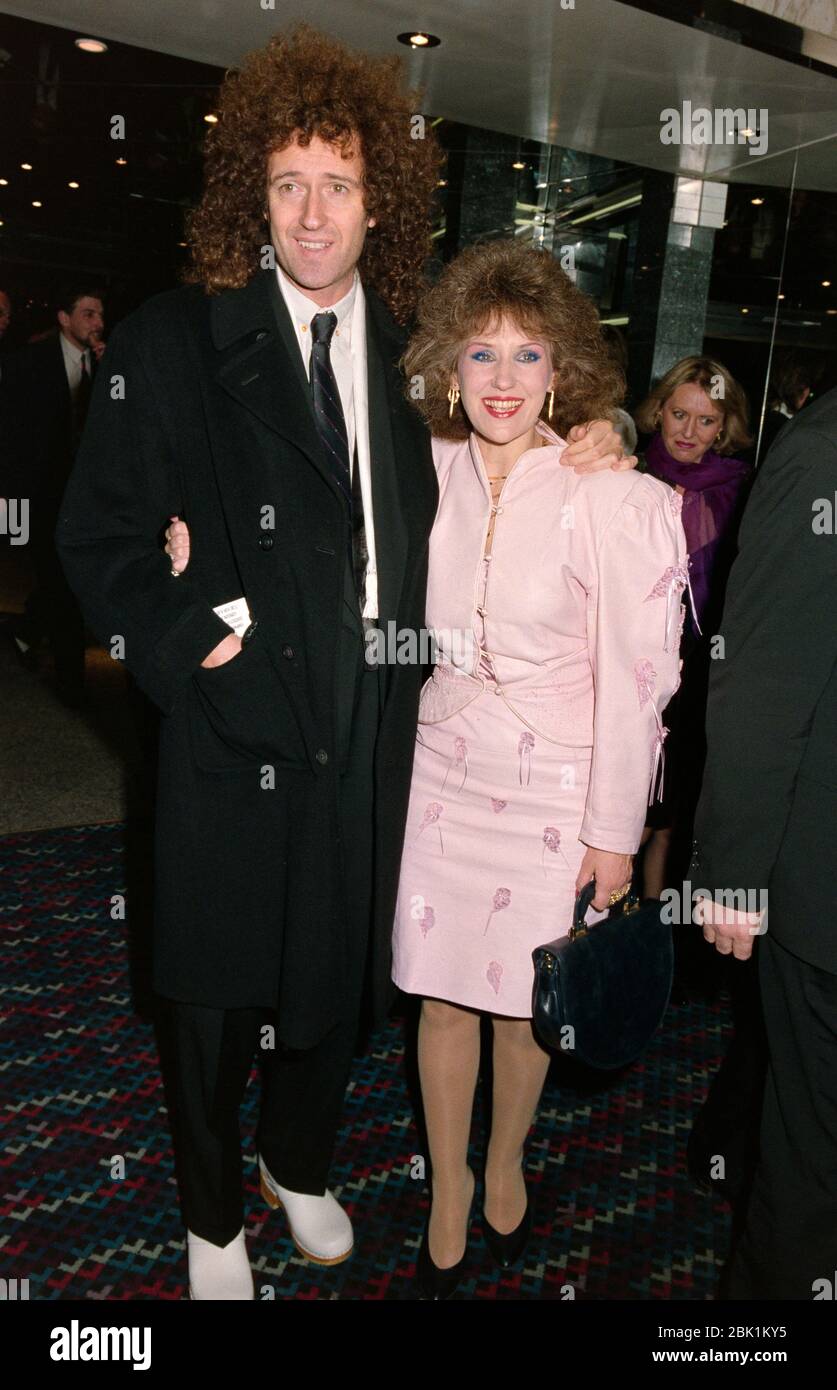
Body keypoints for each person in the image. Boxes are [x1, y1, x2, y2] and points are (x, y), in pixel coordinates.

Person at [58, 25, 626, 1301]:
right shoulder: (171, 342)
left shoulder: (415, 361)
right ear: (249, 196)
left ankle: (297, 1164)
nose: (315, 214)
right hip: (230, 726)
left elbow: (511, 430)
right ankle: (214, 1217)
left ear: (385, 202)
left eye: (342, 183)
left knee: (340, 976)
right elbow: (96, 541)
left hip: (376, 725)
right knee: (211, 993)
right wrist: (197, 645)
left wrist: (600, 435)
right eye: (288, 183)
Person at [389, 239, 686, 1298]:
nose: (503, 381)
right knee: (440, 998)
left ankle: (505, 1161)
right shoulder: (417, 470)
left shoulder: (611, 496)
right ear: (448, 368)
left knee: (524, 1001)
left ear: (563, 371)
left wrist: (617, 833)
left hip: (556, 789)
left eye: (527, 357)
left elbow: (638, 679)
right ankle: (447, 1194)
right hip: (442, 773)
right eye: (481, 354)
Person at [692, 376, 837, 1300]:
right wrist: (734, 875)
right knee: (813, 1176)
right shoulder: (825, 457)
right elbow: (763, 687)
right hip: (824, 901)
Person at [634, 357, 752, 902]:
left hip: (701, 673)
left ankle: (652, 957)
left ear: (724, 428)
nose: (688, 431)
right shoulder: (627, 473)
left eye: (706, 421)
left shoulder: (739, 492)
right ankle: (590, 947)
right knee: (625, 813)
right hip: (628, 664)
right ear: (659, 412)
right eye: (679, 414)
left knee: (671, 821)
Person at [2, 283, 105, 702]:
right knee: (59, 576)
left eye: (100, 315)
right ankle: (71, 681)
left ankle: (27, 631)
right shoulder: (29, 362)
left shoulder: (108, 364)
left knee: (65, 577)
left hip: (86, 497)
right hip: (39, 493)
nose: (98, 323)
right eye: (88, 314)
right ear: (64, 319)